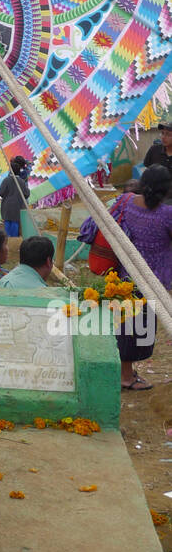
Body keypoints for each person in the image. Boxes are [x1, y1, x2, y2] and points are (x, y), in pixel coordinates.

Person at [114, 165, 170, 389]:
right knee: (138, 331)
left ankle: (126, 373)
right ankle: (126, 377)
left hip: (123, 277)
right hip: (152, 281)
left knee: (127, 328)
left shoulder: (126, 202)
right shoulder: (166, 214)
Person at [0, 156, 30, 237]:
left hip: (6, 206)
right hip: (18, 206)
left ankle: (8, 239)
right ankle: (14, 239)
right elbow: (26, 194)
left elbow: (1, 193)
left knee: (7, 222)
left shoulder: (6, 180)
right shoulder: (22, 181)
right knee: (15, 223)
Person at [143, 122, 172, 187]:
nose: (163, 137)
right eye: (162, 133)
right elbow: (148, 170)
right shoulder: (154, 149)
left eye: (168, 134)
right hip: (155, 191)